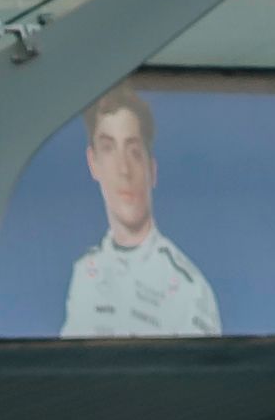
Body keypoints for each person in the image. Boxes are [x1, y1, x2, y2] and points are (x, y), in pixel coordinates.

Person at [62, 86, 220, 340]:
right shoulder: (85, 275)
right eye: (109, 149)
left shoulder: (188, 288)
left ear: (152, 169)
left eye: (134, 152)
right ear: (93, 163)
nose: (123, 169)